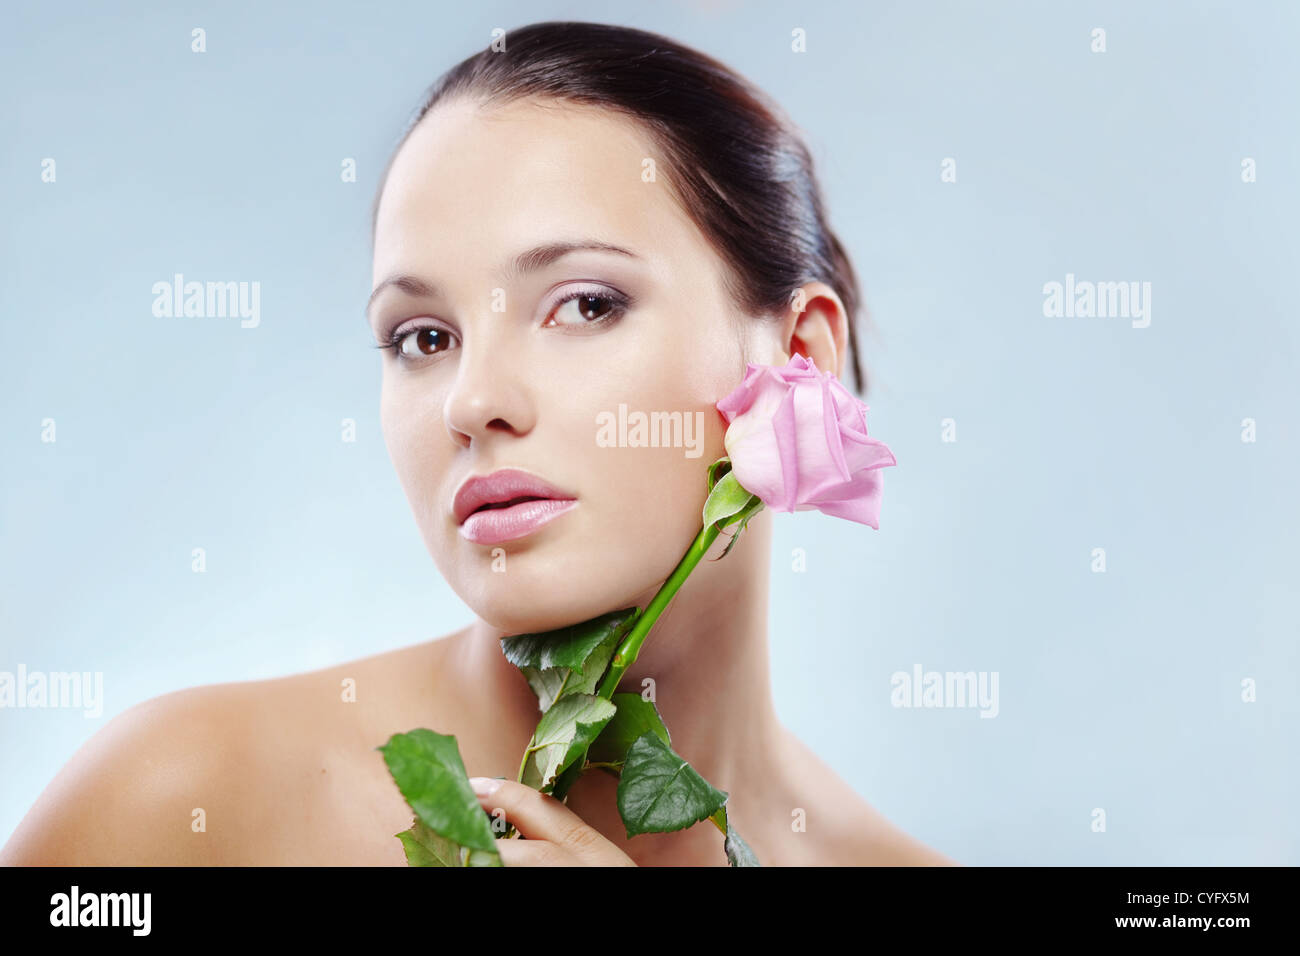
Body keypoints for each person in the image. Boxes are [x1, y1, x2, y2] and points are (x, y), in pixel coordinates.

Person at [1, 21, 953, 866]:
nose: (472, 399)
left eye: (584, 304)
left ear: (799, 355)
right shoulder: (180, 803)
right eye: (423, 337)